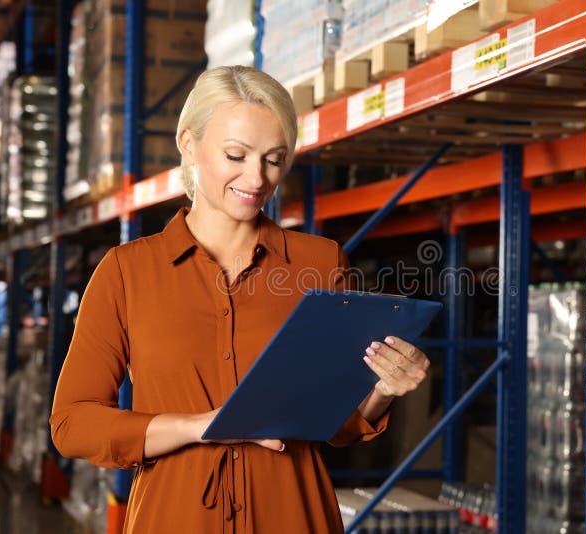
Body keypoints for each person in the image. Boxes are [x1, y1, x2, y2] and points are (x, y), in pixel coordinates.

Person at [49, 65, 431, 533]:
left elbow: (338, 425)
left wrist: (382, 390)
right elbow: (72, 424)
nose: (256, 177)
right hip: (174, 519)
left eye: (274, 158)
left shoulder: (321, 263)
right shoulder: (127, 272)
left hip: (292, 516)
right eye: (236, 154)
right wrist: (196, 427)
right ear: (188, 144)